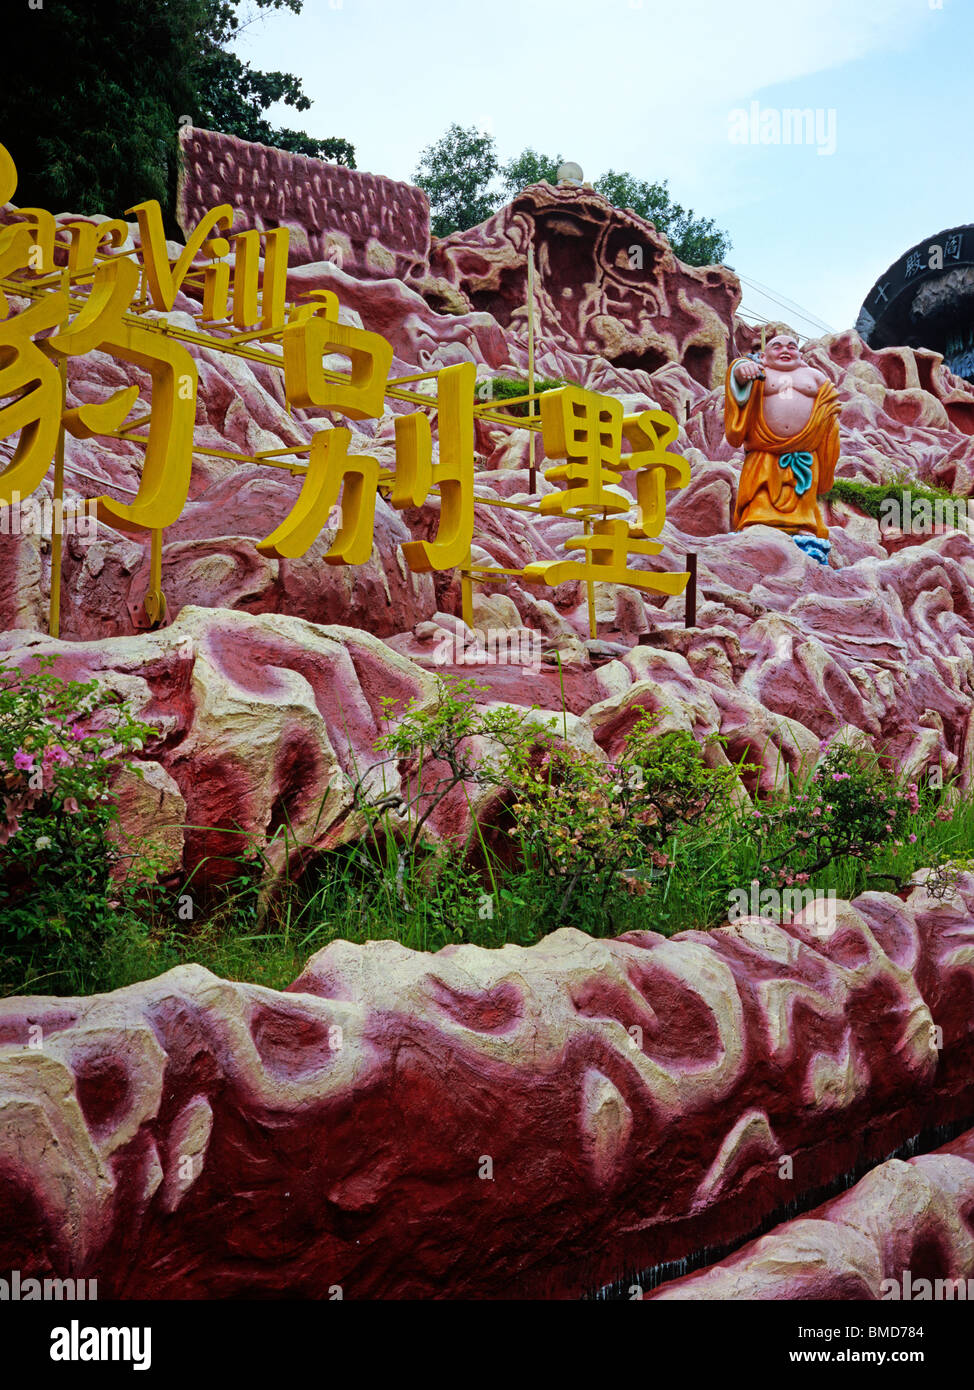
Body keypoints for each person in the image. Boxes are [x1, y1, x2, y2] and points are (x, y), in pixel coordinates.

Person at [725, 333, 840, 563]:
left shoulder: (814, 376)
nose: (785, 350)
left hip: (804, 453)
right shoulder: (758, 370)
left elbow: (830, 403)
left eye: (792, 346)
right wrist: (742, 370)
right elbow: (737, 375)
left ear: (800, 354)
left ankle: (804, 529)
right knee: (760, 493)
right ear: (764, 356)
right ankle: (757, 523)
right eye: (777, 346)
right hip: (764, 451)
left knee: (802, 495)